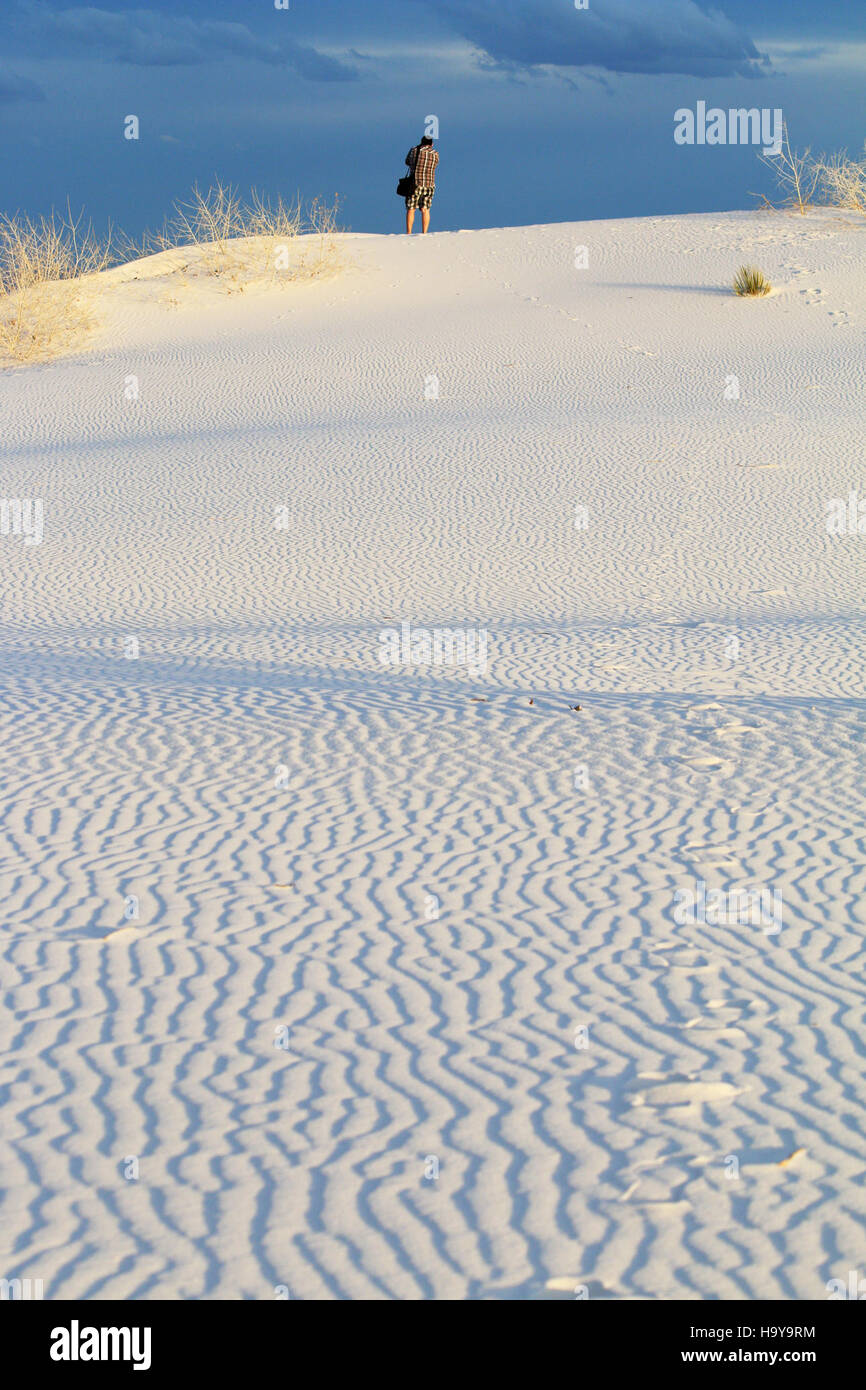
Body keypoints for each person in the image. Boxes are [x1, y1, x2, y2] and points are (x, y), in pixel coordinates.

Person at [404, 135, 439, 234]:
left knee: (411, 208)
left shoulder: (414, 150)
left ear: (421, 142)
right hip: (430, 184)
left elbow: (407, 162)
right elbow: (435, 164)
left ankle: (409, 232)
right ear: (432, 144)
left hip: (415, 184)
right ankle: (424, 232)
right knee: (425, 209)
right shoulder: (435, 154)